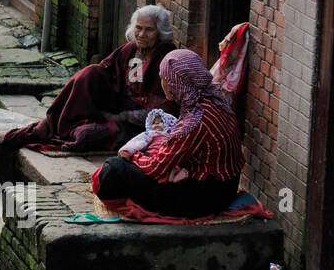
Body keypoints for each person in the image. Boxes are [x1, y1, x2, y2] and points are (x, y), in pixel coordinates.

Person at [2, 5, 179, 155]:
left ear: (160, 33)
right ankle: (56, 123)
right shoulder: (133, 50)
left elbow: (159, 114)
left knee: (85, 135)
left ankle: (65, 127)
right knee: (90, 73)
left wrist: (120, 117)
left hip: (141, 124)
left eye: (149, 30)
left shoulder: (165, 61)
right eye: (138, 28)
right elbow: (112, 74)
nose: (141, 34)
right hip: (119, 107)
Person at [94, 49, 243, 218]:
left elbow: (156, 168)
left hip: (204, 198)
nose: (162, 81)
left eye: (164, 78)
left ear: (176, 83)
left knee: (114, 169)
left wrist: (132, 155)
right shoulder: (212, 99)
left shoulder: (194, 121)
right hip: (224, 187)